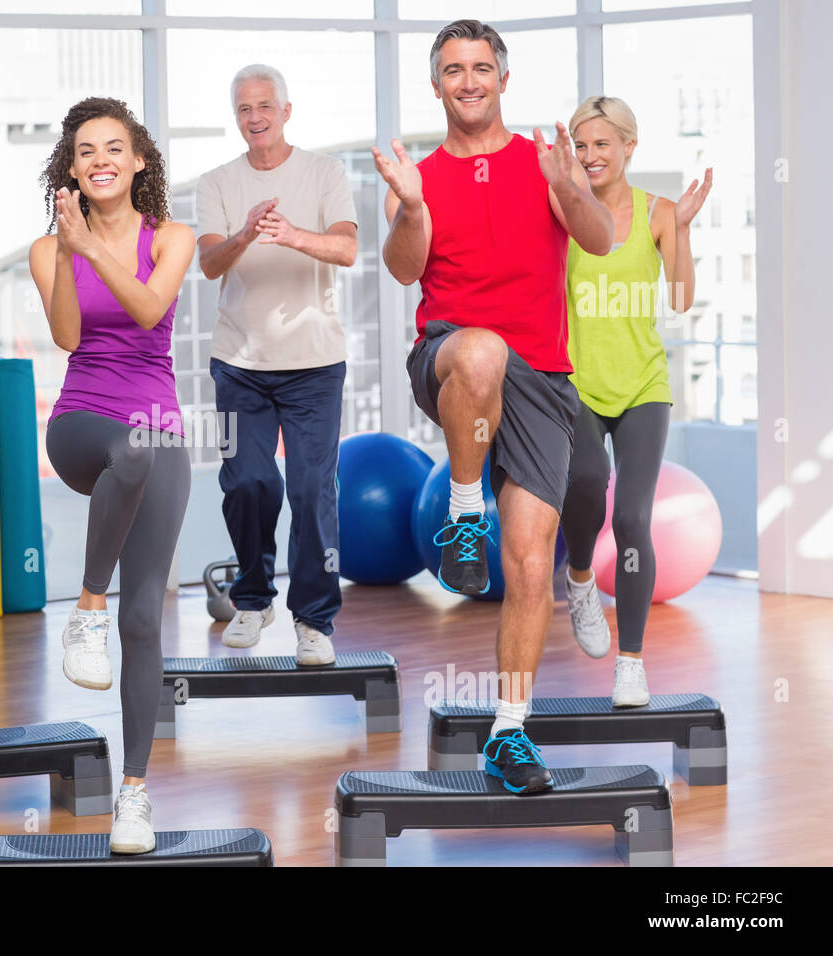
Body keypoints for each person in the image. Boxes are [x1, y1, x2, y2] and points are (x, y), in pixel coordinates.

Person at [374, 19, 614, 793]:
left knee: (531, 559)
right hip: (450, 353)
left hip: (542, 378)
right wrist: (411, 209)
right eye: (453, 69)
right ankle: (464, 508)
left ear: (502, 80)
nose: (469, 81)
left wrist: (571, 185)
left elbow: (602, 239)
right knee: (482, 350)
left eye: (482, 68)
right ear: (436, 83)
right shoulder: (421, 176)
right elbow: (406, 270)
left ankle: (509, 735)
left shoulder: (543, 162)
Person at [29, 97, 195, 853]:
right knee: (127, 449)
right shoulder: (47, 249)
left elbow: (148, 305)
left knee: (145, 620)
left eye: (114, 148)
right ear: (72, 167)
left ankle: (134, 794)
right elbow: (68, 336)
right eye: (86, 150)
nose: (100, 159)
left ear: (137, 162)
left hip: (158, 428)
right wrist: (72, 251)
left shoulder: (174, 238)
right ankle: (86, 604)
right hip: (81, 426)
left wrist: (97, 252)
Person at [196, 64, 358, 665]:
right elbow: (211, 263)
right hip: (239, 362)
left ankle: (314, 620)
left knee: (312, 487)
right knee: (247, 481)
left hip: (315, 364)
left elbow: (345, 246)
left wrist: (291, 234)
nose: (255, 117)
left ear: (286, 111)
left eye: (265, 106)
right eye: (244, 108)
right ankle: (254, 598)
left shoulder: (324, 172)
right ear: (236, 116)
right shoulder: (215, 182)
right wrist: (244, 235)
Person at [559, 95, 711, 706]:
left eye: (603, 144)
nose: (592, 156)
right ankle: (576, 579)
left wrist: (682, 229)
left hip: (644, 384)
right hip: (576, 379)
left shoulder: (658, 212)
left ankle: (631, 662)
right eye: (582, 145)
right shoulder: (565, 211)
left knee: (633, 520)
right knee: (587, 480)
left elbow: (678, 298)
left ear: (628, 146)